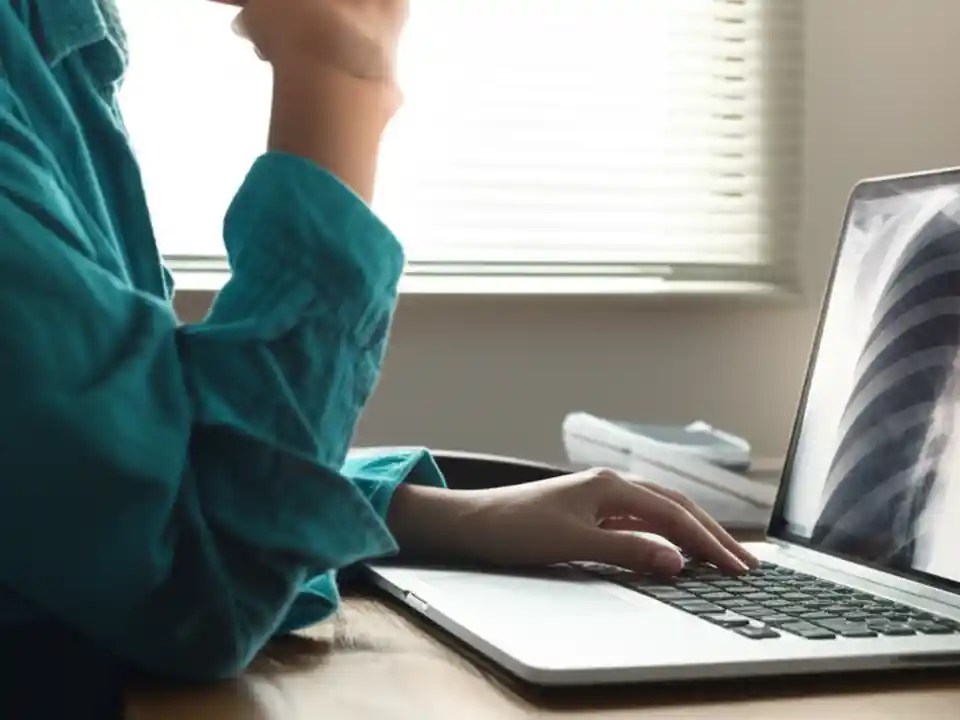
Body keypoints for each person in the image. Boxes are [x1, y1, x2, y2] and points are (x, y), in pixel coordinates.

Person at [0, 0, 756, 706]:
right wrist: (338, 73)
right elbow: (191, 591)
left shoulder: (50, 50)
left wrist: (440, 516)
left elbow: (106, 487)